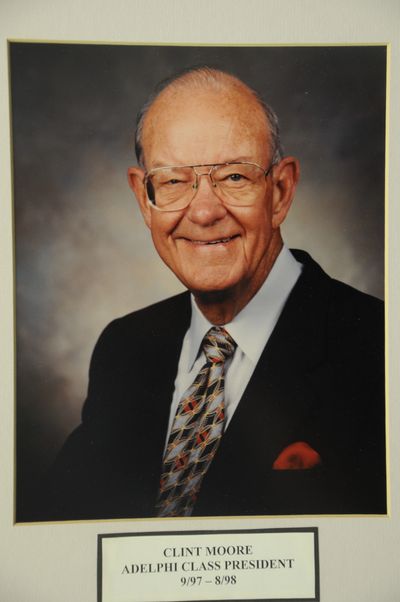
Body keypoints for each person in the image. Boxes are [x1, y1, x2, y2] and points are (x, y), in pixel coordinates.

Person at [43, 67, 386, 520]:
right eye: (173, 181)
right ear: (144, 198)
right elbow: (63, 531)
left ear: (280, 191)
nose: (204, 212)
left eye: (234, 177)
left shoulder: (381, 346)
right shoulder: (124, 348)